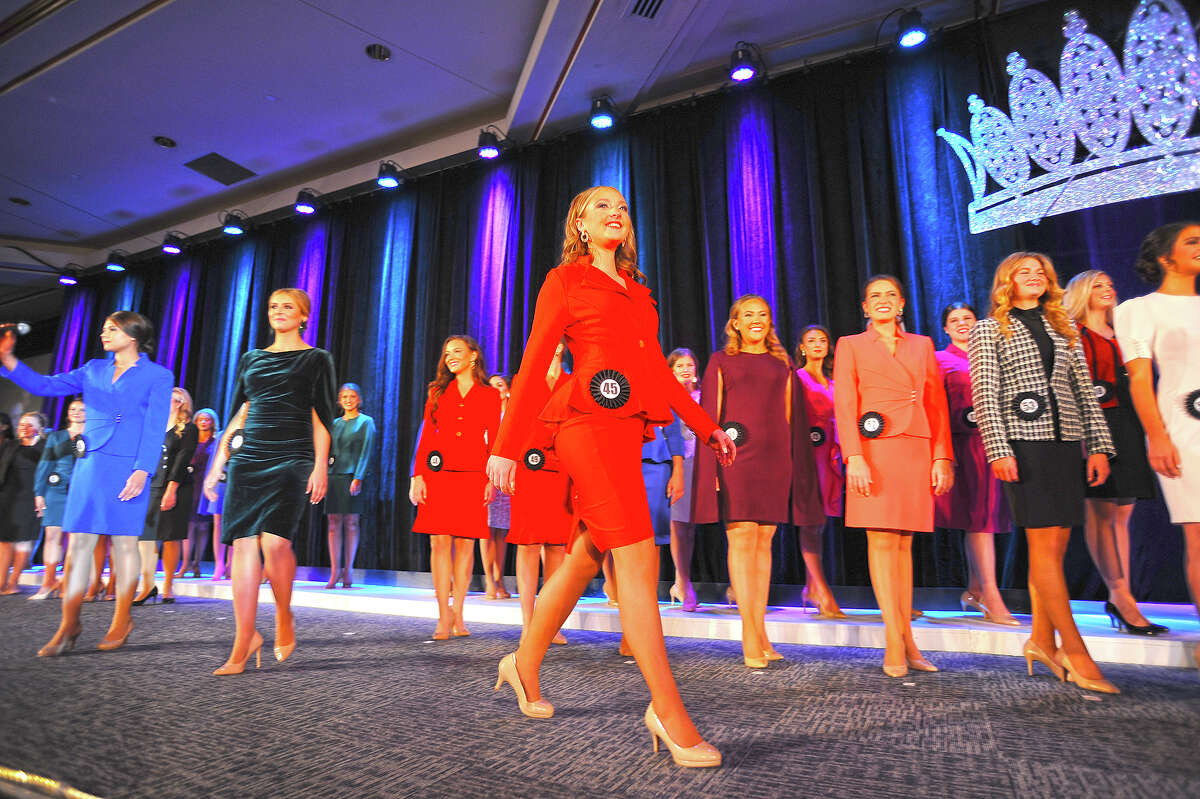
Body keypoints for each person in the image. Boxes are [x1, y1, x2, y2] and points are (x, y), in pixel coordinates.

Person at [486, 186, 734, 768]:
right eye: (601, 205)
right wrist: (505, 445)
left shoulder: (640, 293)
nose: (616, 212)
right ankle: (668, 712)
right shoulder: (564, 280)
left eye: (623, 205)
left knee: (586, 554)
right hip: (581, 424)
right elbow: (532, 361)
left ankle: (522, 664)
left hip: (628, 428)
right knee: (639, 553)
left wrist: (704, 425)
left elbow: (657, 373)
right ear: (578, 221)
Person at [969, 253, 1117, 693]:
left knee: (1055, 546)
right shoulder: (988, 328)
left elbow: (1084, 393)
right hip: (1022, 445)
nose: (1033, 277)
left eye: (1040, 272)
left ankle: (1039, 640)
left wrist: (1099, 446)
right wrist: (998, 448)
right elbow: (985, 393)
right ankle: (1074, 649)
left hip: (1065, 443)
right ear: (1006, 282)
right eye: (1023, 272)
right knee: (1044, 548)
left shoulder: (1064, 326)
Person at [0, 311, 173, 655]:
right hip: (90, 467)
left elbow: (155, 427)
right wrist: (8, 358)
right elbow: (45, 385)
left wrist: (143, 470)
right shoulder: (93, 369)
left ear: (134, 334)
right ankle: (69, 623)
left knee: (125, 546)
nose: (104, 334)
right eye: (104, 328)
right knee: (78, 545)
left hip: (128, 469)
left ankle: (122, 618)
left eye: (113, 329)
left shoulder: (157, 375)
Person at [202, 288, 336, 675]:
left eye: (288, 306)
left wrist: (320, 466)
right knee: (243, 545)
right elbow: (239, 411)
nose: (279, 311)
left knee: (275, 543)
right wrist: (217, 465)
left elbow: (321, 417)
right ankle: (244, 638)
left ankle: (283, 613)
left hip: (292, 456)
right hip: (249, 457)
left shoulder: (316, 359)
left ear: (304, 315)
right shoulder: (251, 358)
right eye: (273, 306)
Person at [834, 275, 954, 677]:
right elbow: (845, 404)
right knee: (882, 542)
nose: (883, 301)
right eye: (874, 297)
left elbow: (937, 404)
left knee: (904, 547)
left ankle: (908, 641)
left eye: (890, 295)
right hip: (873, 451)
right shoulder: (849, 345)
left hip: (915, 449)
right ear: (864, 307)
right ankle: (893, 641)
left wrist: (941, 457)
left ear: (901, 303)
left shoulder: (922, 345)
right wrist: (854, 456)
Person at [695, 295, 824, 668]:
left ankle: (761, 630)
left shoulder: (782, 363)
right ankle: (749, 635)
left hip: (772, 463)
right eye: (748, 315)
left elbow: (789, 419)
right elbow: (710, 418)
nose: (757, 320)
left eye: (763, 315)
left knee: (764, 541)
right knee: (741, 537)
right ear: (734, 323)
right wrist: (713, 470)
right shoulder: (721, 361)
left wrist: (790, 466)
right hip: (736, 460)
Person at [1115, 222, 1200, 668]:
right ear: (1166, 257)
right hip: (1185, 428)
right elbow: (1140, 378)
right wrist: (1157, 435)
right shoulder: (1139, 309)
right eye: (1193, 241)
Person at [1063, 271, 1164, 635]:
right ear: (1081, 293)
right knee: (1102, 513)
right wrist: (1087, 442)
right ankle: (1121, 596)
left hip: (1128, 423)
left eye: (1110, 284)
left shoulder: (1123, 331)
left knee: (1123, 514)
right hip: (1095, 425)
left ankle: (1122, 592)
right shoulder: (1072, 333)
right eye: (1098, 285)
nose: (1108, 289)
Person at [410, 335, 500, 639]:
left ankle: (459, 613)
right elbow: (426, 435)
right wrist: (417, 475)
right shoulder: (437, 391)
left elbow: (495, 440)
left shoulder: (489, 395)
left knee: (465, 545)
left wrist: (491, 480)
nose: (450, 357)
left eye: (457, 352)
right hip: (438, 475)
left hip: (473, 476)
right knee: (438, 542)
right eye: (447, 352)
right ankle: (442, 615)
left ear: (474, 356)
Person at [933, 303, 1017, 625]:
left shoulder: (992, 356)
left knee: (986, 518)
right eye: (954, 320)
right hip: (962, 446)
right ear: (945, 328)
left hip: (994, 445)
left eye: (967, 318)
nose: (962, 324)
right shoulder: (940, 360)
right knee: (978, 519)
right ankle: (991, 594)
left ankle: (976, 589)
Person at [506, 344, 571, 644]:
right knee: (528, 544)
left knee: (557, 546)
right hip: (528, 469)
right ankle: (528, 623)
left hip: (562, 470)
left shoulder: (573, 380)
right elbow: (511, 422)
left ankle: (551, 623)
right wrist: (504, 459)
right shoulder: (524, 379)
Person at [793, 325, 847, 618]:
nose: (817, 344)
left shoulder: (833, 381)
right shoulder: (798, 378)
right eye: (810, 340)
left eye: (822, 340)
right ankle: (820, 590)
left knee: (821, 522)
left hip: (830, 456)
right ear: (801, 348)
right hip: (808, 456)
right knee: (810, 521)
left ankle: (811, 586)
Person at [136, 387, 198, 604]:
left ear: (181, 403)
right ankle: (147, 585)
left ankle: (168, 586)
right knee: (145, 537)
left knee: (170, 537)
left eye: (172, 398)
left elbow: (182, 460)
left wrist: (171, 490)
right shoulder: (153, 427)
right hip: (149, 485)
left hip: (175, 486)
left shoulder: (188, 429)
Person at [30, 398, 85, 599]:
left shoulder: (93, 436)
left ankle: (68, 583)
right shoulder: (56, 436)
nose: (76, 412)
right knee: (52, 536)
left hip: (82, 491)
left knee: (76, 540)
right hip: (57, 489)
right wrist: (39, 493)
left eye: (81, 409)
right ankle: (48, 582)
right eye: (73, 409)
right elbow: (45, 464)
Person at [325, 383, 376, 589]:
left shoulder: (366, 422)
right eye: (344, 396)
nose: (348, 400)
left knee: (351, 522)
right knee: (333, 522)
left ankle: (349, 569)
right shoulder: (335, 423)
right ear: (339, 400)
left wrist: (359, 476)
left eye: (352, 396)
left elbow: (367, 451)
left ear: (359, 399)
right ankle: (334, 570)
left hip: (352, 476)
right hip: (334, 475)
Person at [666, 348, 701, 611]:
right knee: (678, 525)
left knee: (691, 528)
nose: (686, 369)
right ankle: (682, 581)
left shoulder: (703, 397)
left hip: (700, 466)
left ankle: (682, 579)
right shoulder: (666, 399)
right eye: (680, 366)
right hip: (676, 466)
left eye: (689, 365)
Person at [0, 412, 46, 593]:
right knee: (4, 540)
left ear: (40, 429)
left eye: (29, 424)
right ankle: (1, 580)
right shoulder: (11, 445)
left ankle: (14, 582)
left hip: (31, 498)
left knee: (23, 542)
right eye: (21, 424)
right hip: (8, 497)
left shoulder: (45, 447)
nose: (24, 428)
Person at [179, 408, 220, 578]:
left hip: (207, 484)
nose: (204, 422)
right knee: (188, 525)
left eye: (207, 419)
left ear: (212, 422)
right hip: (190, 483)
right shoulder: (190, 439)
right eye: (201, 419)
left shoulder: (216, 441)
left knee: (203, 526)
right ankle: (185, 563)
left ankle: (197, 563)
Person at [482, 373, 513, 599]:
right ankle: (489, 581)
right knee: (485, 530)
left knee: (501, 530)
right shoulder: (483, 412)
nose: (495, 389)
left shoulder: (512, 415)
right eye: (490, 386)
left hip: (506, 477)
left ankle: (500, 577)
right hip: (483, 474)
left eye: (499, 385)